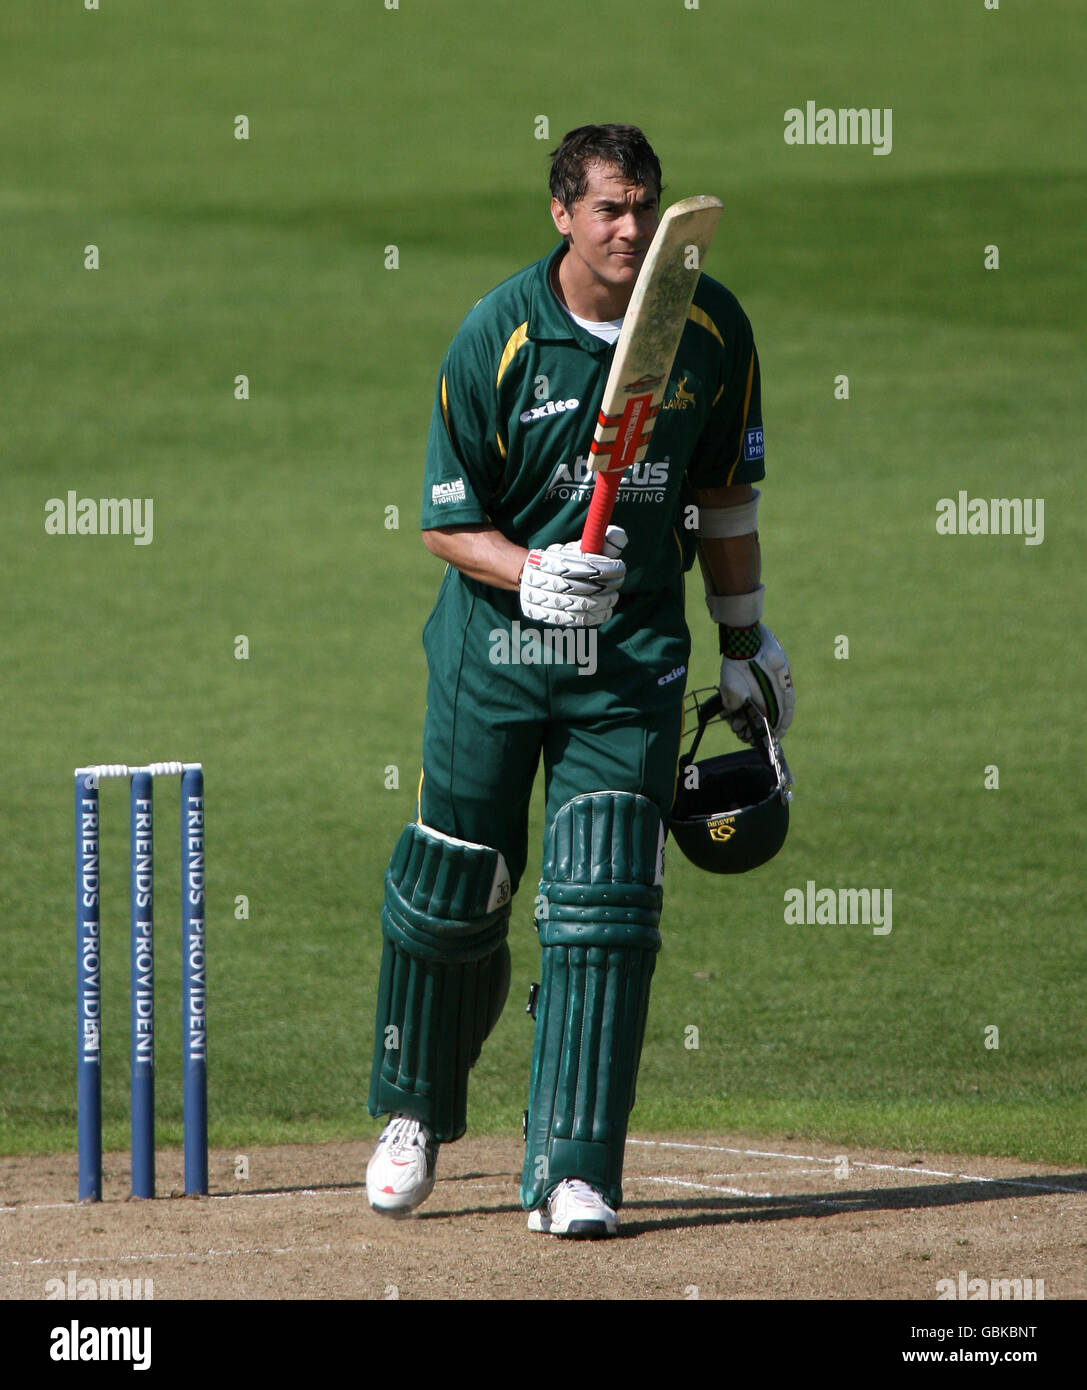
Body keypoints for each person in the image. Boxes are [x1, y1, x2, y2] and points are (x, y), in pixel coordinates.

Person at [365, 124, 793, 1238]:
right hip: (498, 653)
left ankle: (571, 1168)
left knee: (605, 902)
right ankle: (413, 1112)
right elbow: (445, 521)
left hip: (631, 657)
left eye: (641, 206)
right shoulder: (497, 336)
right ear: (561, 214)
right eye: (607, 208)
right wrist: (532, 569)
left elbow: (723, 499)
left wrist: (741, 638)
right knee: (455, 887)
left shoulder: (708, 328)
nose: (630, 228)